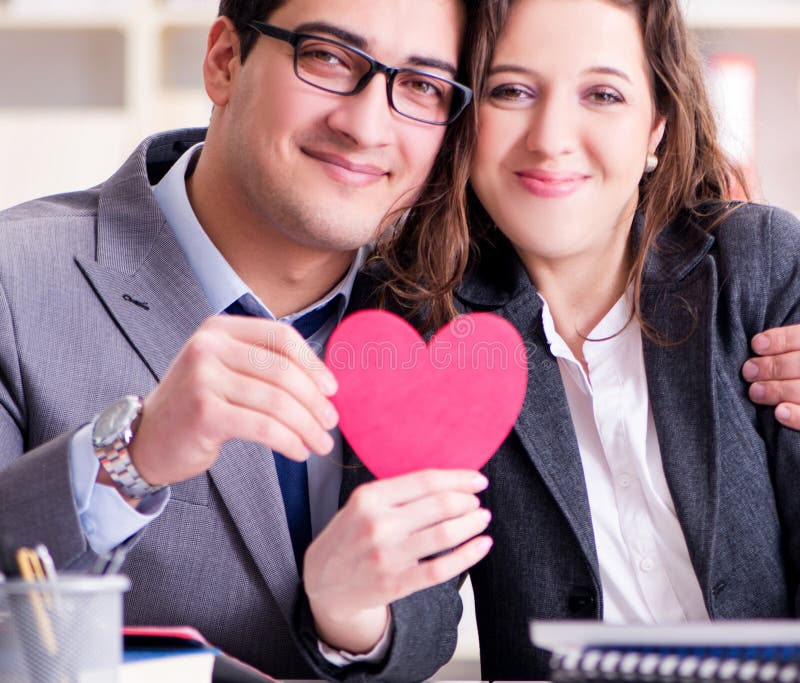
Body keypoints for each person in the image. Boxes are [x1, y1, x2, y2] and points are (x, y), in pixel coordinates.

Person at [0, 1, 492, 680]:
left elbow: (432, 608)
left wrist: (353, 622)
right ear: (225, 61)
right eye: (327, 56)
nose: (365, 125)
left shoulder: (442, 327)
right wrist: (130, 457)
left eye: (421, 86)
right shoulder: (15, 277)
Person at [345, 0, 800, 680]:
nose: (551, 137)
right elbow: (411, 617)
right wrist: (347, 611)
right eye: (510, 90)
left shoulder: (757, 263)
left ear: (656, 127)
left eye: (603, 94)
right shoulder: (415, 320)